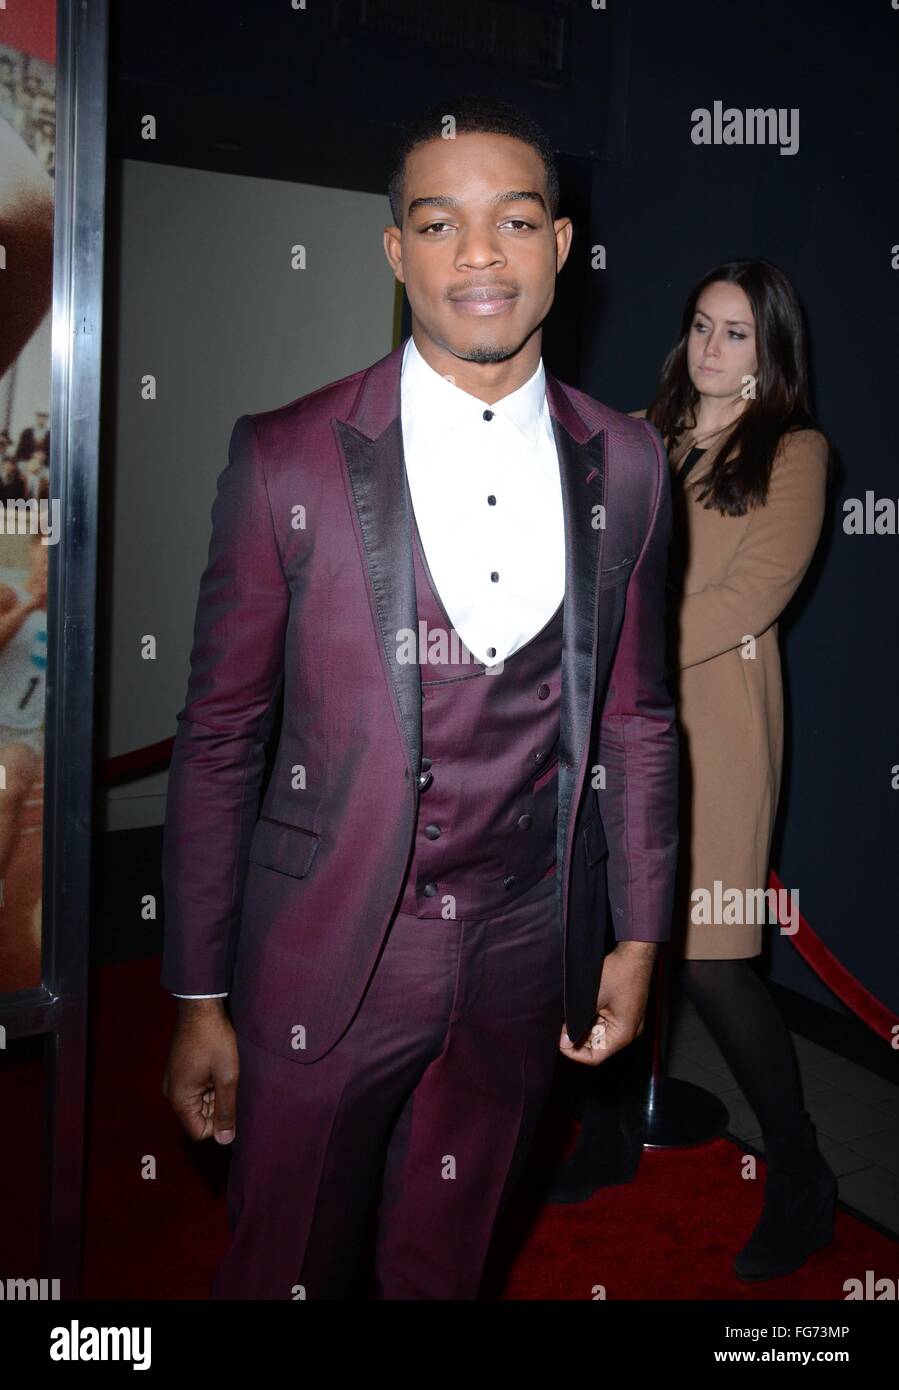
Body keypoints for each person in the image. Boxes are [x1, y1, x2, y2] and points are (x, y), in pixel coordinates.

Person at [160, 95, 678, 1300]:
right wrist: (196, 993)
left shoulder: (634, 461)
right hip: (328, 959)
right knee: (284, 1265)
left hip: (524, 952)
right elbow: (223, 737)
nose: (480, 254)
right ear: (397, 253)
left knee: (446, 1269)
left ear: (560, 245)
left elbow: (638, 718)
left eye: (515, 220)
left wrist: (640, 932)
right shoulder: (285, 453)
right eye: (440, 225)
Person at [550, 258, 836, 1283]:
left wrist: (620, 641)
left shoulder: (795, 450)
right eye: (703, 327)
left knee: (711, 960)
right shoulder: (636, 429)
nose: (713, 349)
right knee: (609, 942)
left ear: (769, 354)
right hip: (614, 729)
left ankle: (801, 1175)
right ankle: (606, 1135)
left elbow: (751, 594)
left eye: (736, 334)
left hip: (715, 733)